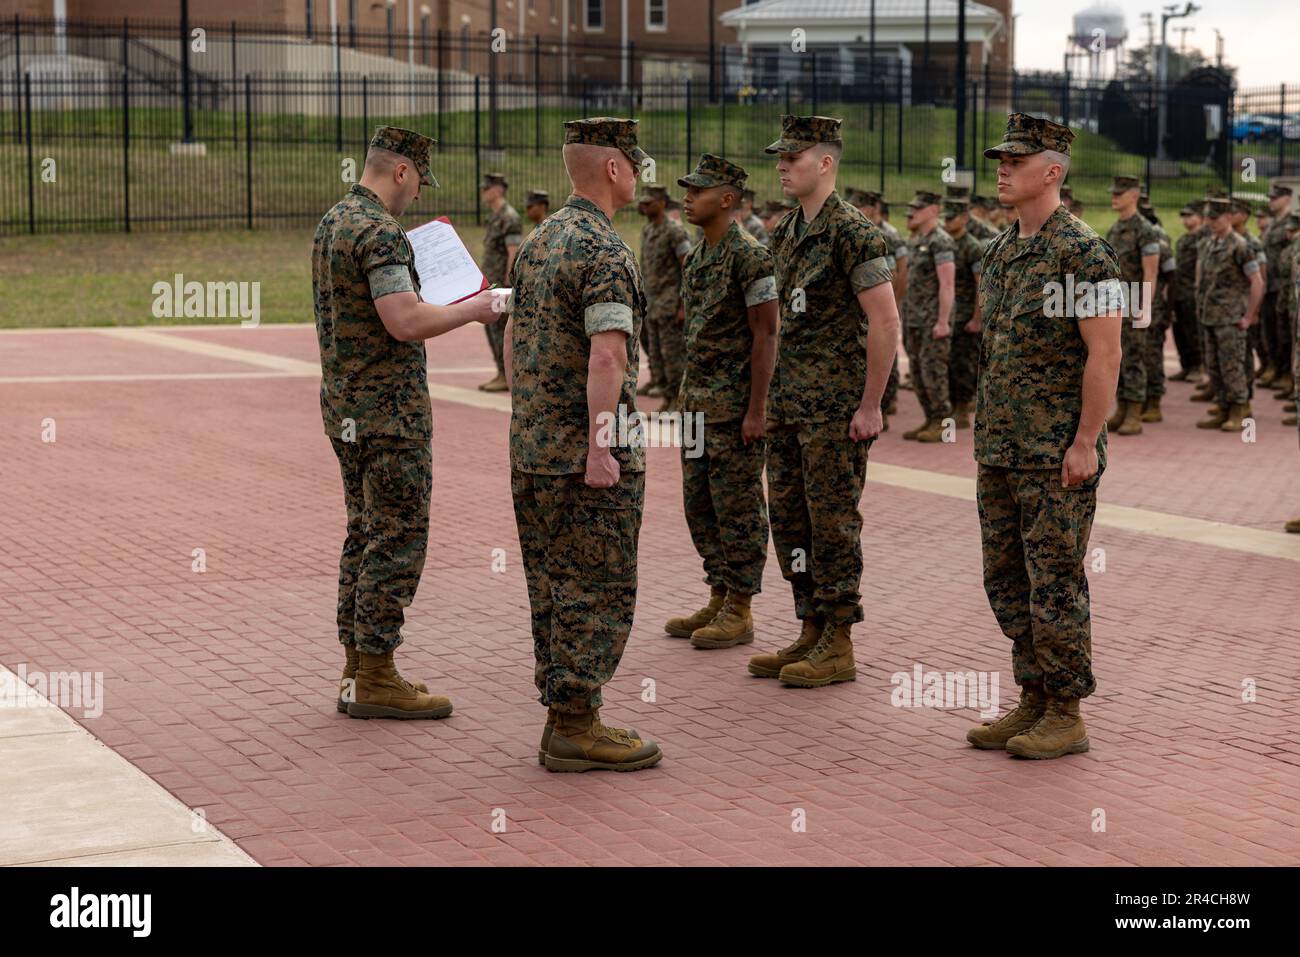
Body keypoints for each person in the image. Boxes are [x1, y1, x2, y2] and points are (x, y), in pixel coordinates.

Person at [314, 126, 498, 719]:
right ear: (400, 172)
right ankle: (374, 673)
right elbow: (404, 320)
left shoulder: (334, 222)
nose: (418, 194)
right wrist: (476, 308)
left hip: (346, 409)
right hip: (388, 413)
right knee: (396, 537)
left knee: (364, 533)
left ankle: (357, 667)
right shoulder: (379, 231)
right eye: (419, 180)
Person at [503, 116, 663, 773]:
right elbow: (608, 357)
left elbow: (514, 341)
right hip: (584, 456)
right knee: (595, 584)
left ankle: (563, 716)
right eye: (636, 162)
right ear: (616, 169)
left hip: (535, 450)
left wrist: (529, 419)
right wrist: (603, 446)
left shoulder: (538, 241)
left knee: (552, 584)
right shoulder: (604, 249)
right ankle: (576, 724)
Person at [966, 112, 1124, 759]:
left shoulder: (1082, 252)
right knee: (1006, 577)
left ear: (1052, 171)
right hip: (1002, 446)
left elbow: (1105, 355)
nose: (1002, 168)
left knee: (1055, 579)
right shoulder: (1001, 252)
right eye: (1000, 159)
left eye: (1016, 160)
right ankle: (1032, 693)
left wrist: (1085, 440)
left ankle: (1066, 709)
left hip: (1055, 453)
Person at [745, 115, 899, 688]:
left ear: (826, 162)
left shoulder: (855, 232)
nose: (782, 166)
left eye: (794, 157)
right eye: (780, 157)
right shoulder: (786, 232)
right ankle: (808, 626)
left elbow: (885, 321)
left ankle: (839, 640)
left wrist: (871, 404)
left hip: (835, 411)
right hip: (790, 406)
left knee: (833, 524)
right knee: (789, 520)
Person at [664, 154, 779, 649]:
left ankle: (741, 605)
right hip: (696, 404)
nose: (687, 198)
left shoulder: (751, 257)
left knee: (738, 505)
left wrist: (757, 410)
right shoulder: (697, 255)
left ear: (727, 199)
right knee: (699, 502)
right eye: (688, 190)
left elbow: (767, 334)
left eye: (698, 191)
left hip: (734, 408)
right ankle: (718, 591)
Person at [1196, 197, 1265, 433]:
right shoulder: (1208, 244)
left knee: (1232, 366)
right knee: (1214, 366)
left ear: (1228, 217)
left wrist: (1249, 315)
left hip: (1230, 318)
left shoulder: (1240, 246)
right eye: (1208, 218)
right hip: (1209, 316)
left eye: (1215, 218)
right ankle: (1224, 408)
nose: (1210, 222)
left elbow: (1257, 282)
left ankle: (1240, 409)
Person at [1104, 175, 1159, 436]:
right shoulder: (1115, 229)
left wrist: (1144, 308)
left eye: (1120, 193)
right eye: (1113, 193)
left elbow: (1151, 273)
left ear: (1135, 195)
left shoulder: (1145, 230)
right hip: (1116, 305)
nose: (1114, 196)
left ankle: (1135, 412)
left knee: (1135, 358)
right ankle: (1122, 407)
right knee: (1118, 358)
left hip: (1135, 303)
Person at [900, 190, 957, 442]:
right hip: (913, 317)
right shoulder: (913, 240)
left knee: (934, 372)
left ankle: (943, 425)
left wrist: (943, 321)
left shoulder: (941, 241)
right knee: (918, 370)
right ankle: (929, 419)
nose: (914, 212)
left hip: (932, 319)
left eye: (920, 208)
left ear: (934, 210)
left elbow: (947, 284)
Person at [638, 185, 692, 408]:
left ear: (662, 203)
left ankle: (675, 399)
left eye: (649, 202)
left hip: (670, 303)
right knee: (656, 351)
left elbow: (686, 268)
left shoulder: (675, 231)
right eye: (643, 202)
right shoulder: (648, 230)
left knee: (673, 355)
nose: (644, 206)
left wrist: (683, 305)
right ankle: (661, 386)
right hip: (652, 302)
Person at [942, 198, 985, 429]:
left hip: (966, 314)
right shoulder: (946, 243)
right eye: (945, 217)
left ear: (964, 219)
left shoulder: (972, 247)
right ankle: (951, 404)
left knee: (963, 363)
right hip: (949, 314)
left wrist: (977, 318)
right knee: (947, 362)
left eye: (952, 217)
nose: (947, 222)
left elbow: (981, 284)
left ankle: (962, 407)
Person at [477, 172, 521, 393]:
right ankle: (500, 372)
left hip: (501, 286)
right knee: (491, 327)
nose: (483, 192)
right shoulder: (495, 217)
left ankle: (506, 374)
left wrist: (507, 283)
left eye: (487, 188)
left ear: (499, 190)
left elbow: (512, 252)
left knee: (500, 327)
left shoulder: (509, 217)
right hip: (491, 283)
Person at [1169, 202, 1204, 381]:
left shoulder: (1203, 238)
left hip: (1192, 291)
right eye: (1184, 216)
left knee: (1193, 332)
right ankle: (1186, 365)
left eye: (1190, 216)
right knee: (1179, 331)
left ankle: (1197, 367)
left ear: (1200, 217)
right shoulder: (1183, 239)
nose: (1186, 220)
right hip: (1179, 291)